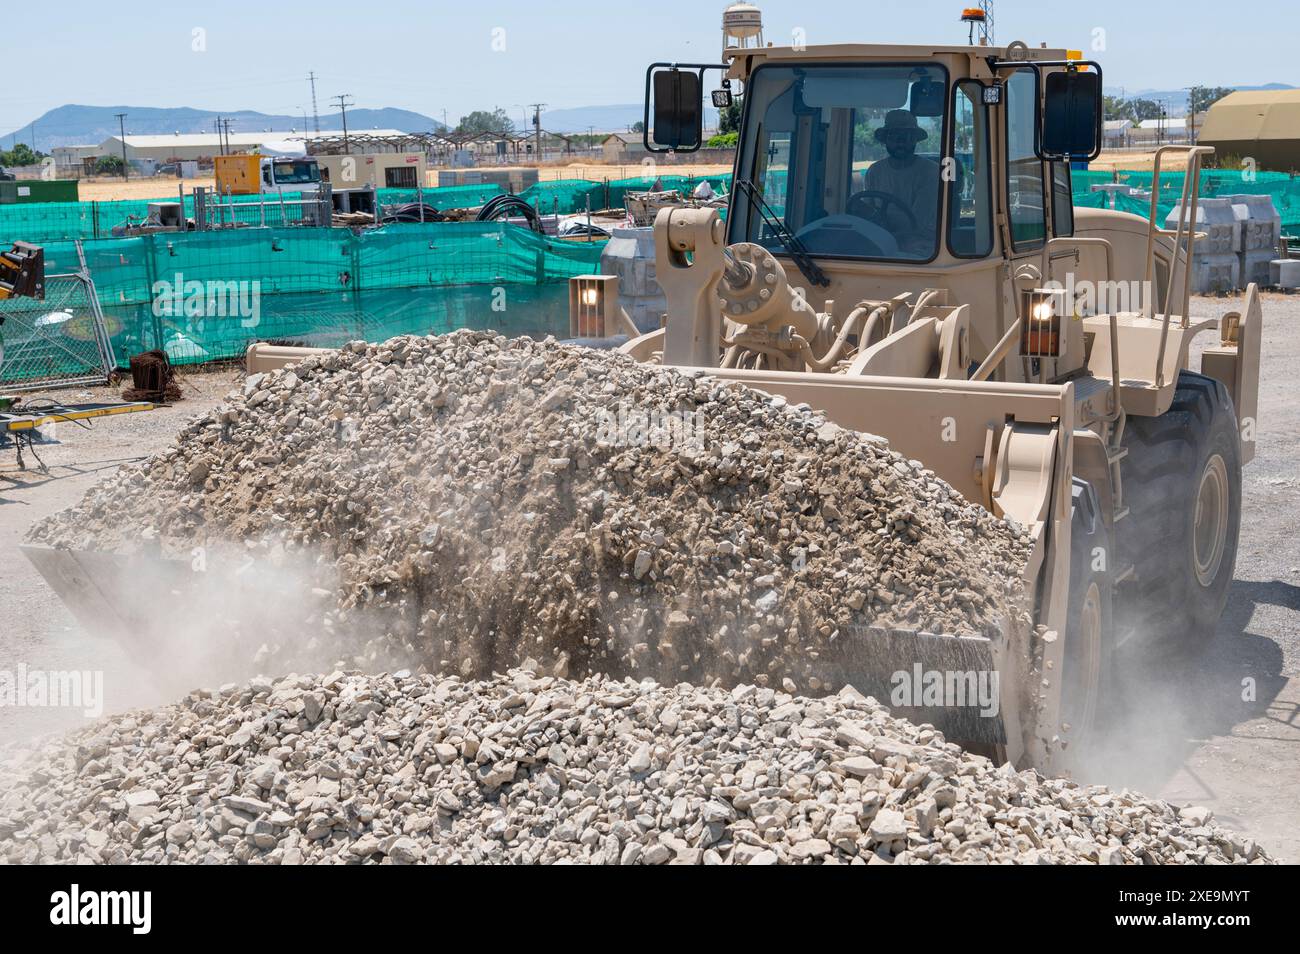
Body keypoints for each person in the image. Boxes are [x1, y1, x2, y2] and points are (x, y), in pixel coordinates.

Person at [861, 109, 940, 255]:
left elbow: (916, 223)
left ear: (915, 139)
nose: (900, 142)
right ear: (885, 140)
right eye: (894, 136)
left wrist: (882, 225)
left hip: (923, 245)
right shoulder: (875, 171)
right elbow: (866, 212)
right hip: (882, 242)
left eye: (907, 136)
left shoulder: (930, 172)